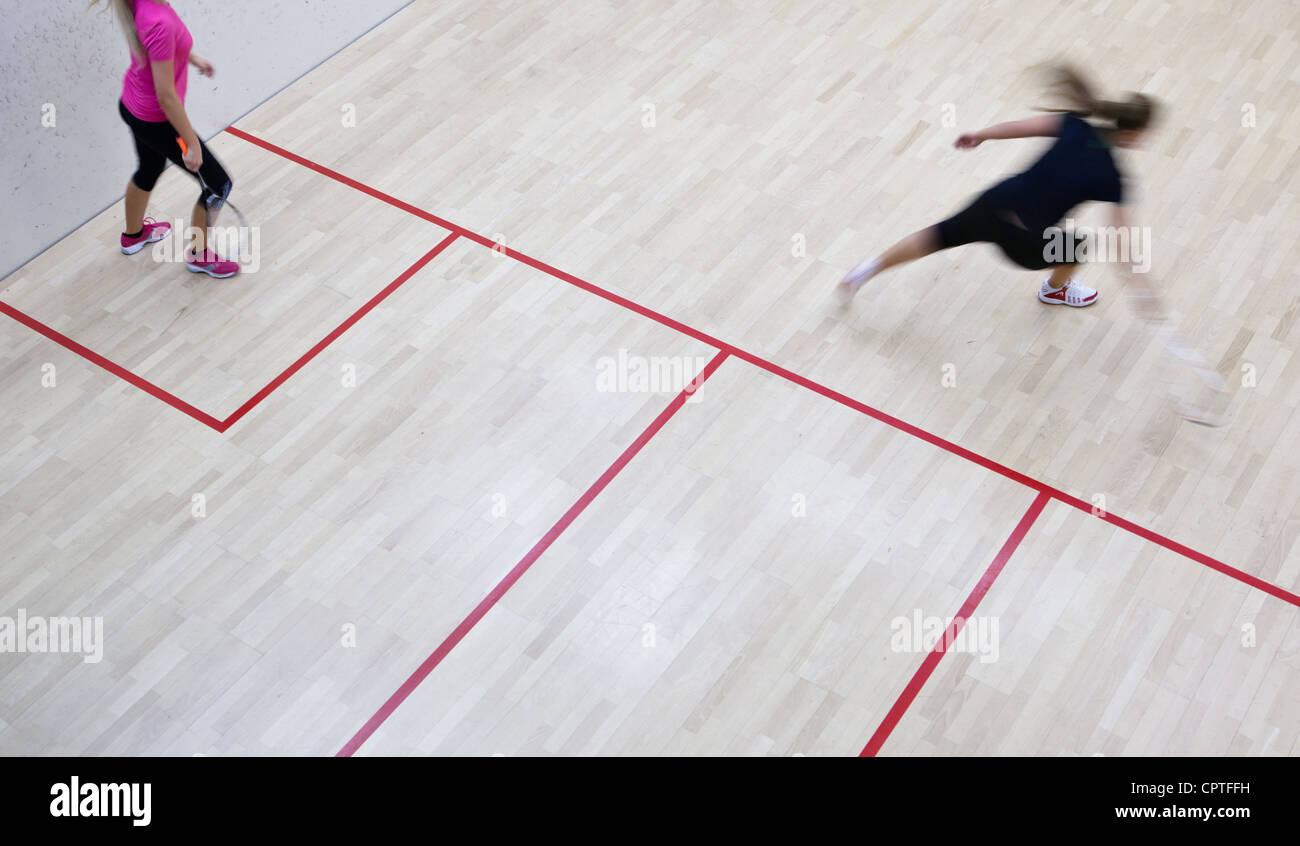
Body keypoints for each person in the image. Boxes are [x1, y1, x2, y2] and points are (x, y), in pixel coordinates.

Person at [838, 66, 1155, 308]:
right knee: (1077, 248)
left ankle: (866, 271)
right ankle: (1055, 290)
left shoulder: (1074, 125)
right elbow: (1121, 240)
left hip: (995, 202)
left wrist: (982, 135)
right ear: (1136, 133)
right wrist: (1137, 285)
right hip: (1026, 238)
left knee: (936, 236)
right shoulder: (1113, 177)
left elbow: (1020, 128)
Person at [94, 0, 240, 278]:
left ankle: (133, 236)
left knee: (149, 167)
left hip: (133, 105)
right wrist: (191, 142)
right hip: (158, 119)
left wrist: (192, 57)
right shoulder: (158, 20)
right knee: (218, 184)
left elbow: (160, 49)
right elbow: (167, 97)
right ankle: (200, 255)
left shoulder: (146, 4)